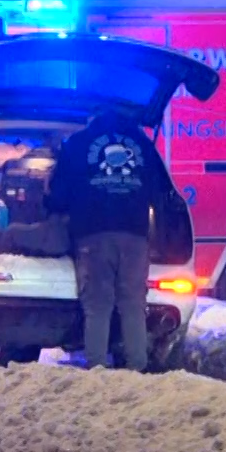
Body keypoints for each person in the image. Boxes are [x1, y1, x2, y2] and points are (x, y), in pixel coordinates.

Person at [48, 109, 173, 372]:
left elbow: (58, 196)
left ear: (92, 117)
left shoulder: (78, 143)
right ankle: (137, 367)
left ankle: (97, 369)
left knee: (98, 305)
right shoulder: (142, 143)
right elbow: (162, 192)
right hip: (135, 236)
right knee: (133, 304)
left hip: (93, 235)